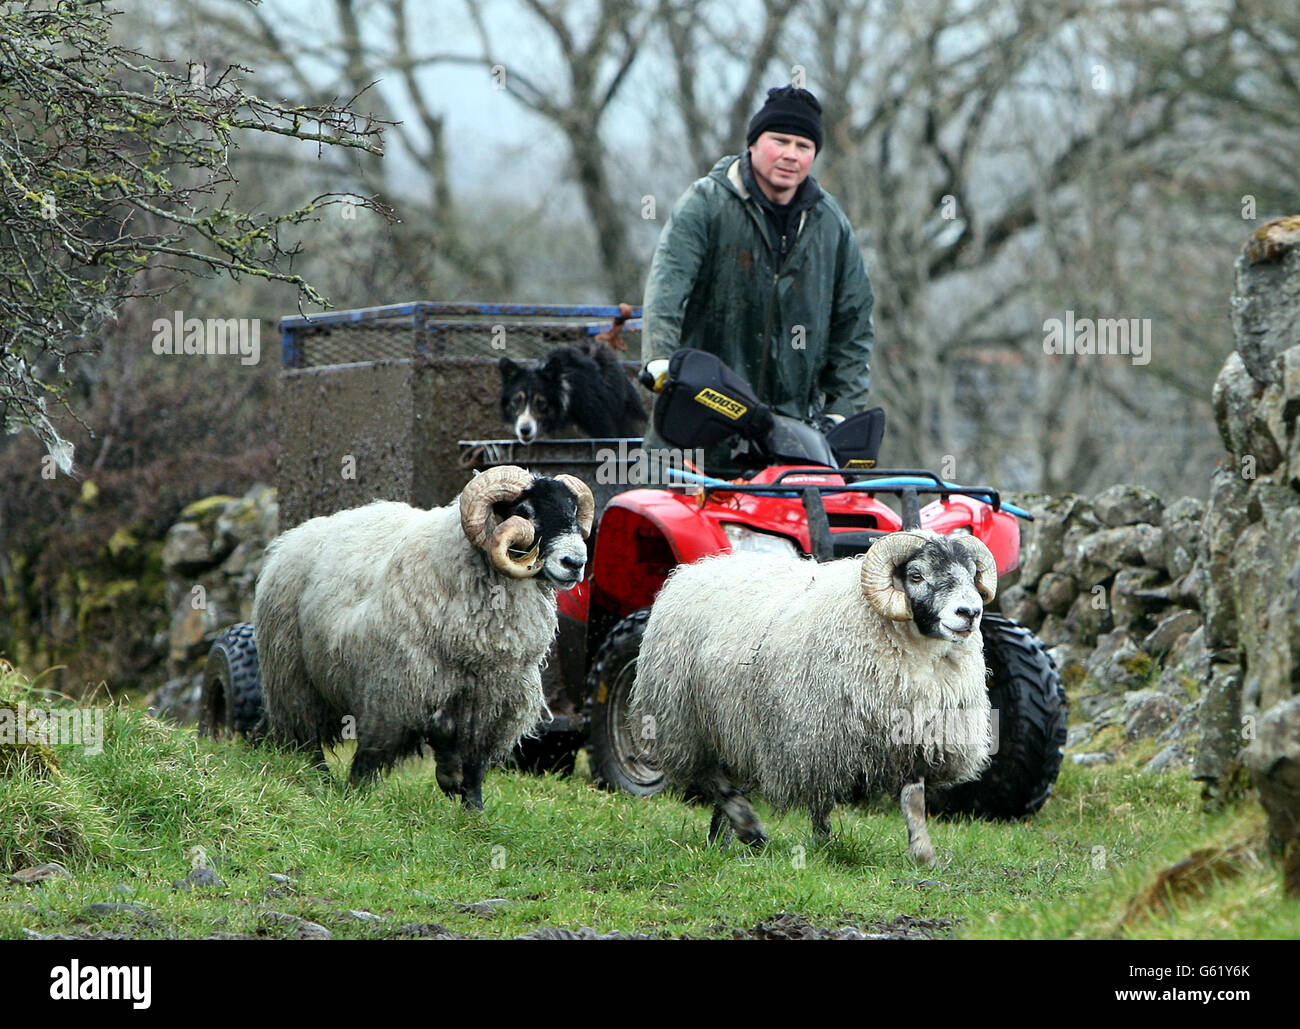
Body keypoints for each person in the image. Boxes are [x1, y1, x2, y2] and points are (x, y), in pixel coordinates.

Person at [640, 84, 875, 474]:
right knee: (666, 524)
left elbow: (855, 324)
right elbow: (667, 289)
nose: (790, 155)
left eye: (803, 146)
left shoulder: (831, 224)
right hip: (696, 422)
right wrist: (660, 361)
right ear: (753, 143)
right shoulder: (706, 204)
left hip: (793, 438)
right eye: (779, 140)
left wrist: (842, 413)